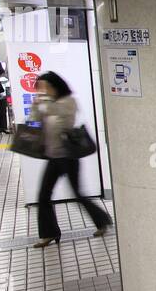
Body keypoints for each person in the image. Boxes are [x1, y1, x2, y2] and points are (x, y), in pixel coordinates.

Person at [30, 71, 111, 249]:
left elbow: (62, 119)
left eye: (47, 86)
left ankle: (102, 221)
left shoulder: (68, 101)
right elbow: (34, 119)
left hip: (68, 156)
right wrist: (36, 106)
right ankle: (48, 234)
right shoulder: (46, 104)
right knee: (43, 196)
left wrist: (43, 103)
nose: (44, 90)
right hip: (52, 157)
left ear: (56, 86)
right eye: (41, 87)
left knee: (77, 194)